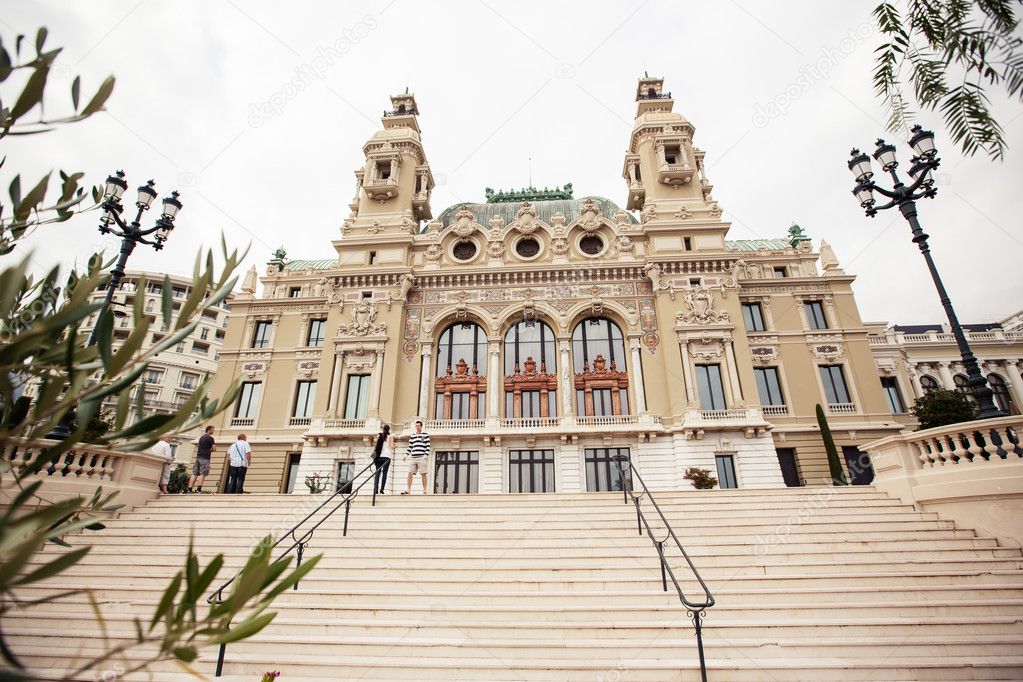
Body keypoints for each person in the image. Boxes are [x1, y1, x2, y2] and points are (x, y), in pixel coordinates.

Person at [402, 420, 430, 495]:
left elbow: (428, 446)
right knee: (410, 473)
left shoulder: (425, 435)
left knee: (423, 474)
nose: (417, 427)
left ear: (421, 426)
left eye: (418, 426)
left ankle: (424, 490)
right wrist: (406, 455)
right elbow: (410, 446)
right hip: (413, 457)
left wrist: (425, 456)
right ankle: (408, 490)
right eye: (416, 426)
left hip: (421, 457)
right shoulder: (413, 436)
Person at [188, 425, 215, 493]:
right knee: (202, 473)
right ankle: (198, 489)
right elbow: (214, 449)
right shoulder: (210, 438)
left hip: (198, 457)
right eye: (212, 430)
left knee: (194, 473)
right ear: (209, 430)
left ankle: (189, 489)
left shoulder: (201, 438)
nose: (213, 431)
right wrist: (210, 450)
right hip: (205, 458)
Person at [372, 424, 394, 494]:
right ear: (389, 430)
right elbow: (391, 446)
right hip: (386, 457)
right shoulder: (390, 437)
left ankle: (375, 489)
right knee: (384, 474)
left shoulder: (379, 435)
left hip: (378, 457)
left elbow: (376, 445)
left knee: (377, 473)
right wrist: (395, 445)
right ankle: (382, 489)